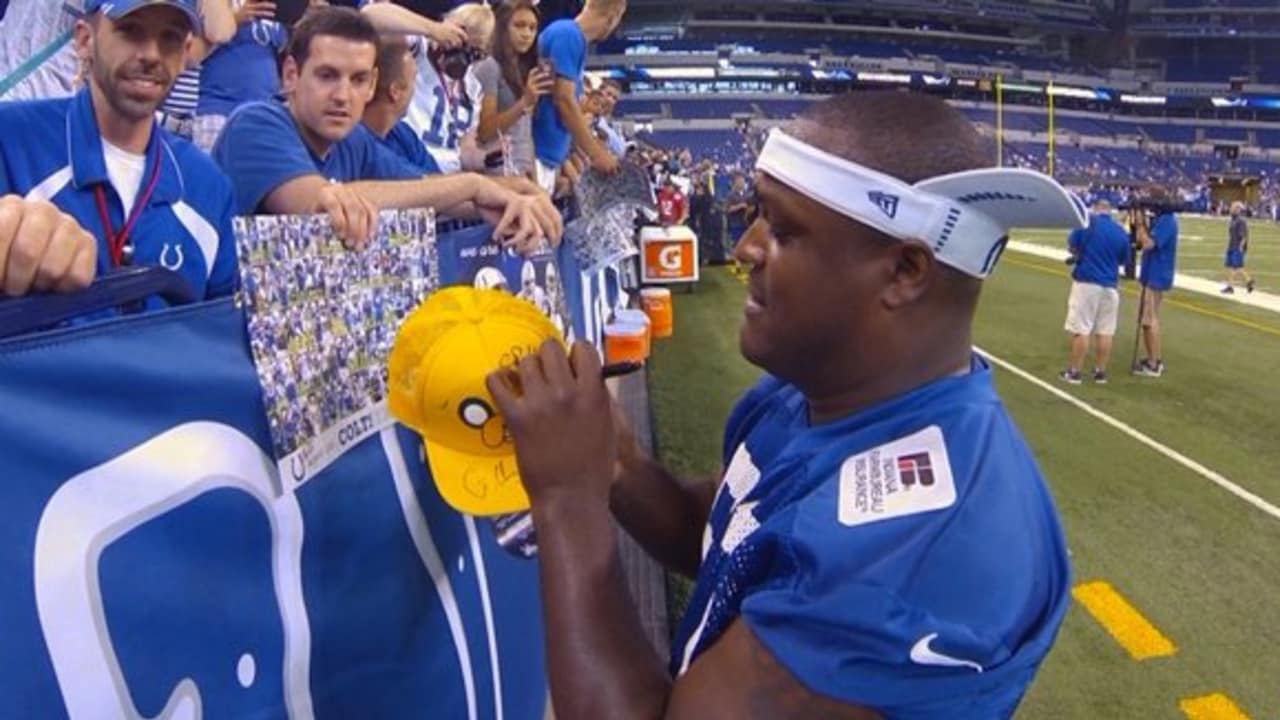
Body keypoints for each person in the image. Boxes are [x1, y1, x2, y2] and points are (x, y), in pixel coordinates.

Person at [485, 92, 1076, 718]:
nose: (745, 248)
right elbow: (723, 541)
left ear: (905, 271)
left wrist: (569, 502)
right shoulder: (811, 395)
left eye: (784, 229)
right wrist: (617, 465)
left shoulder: (924, 549)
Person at [213, 6, 559, 252]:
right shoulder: (255, 124)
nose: (342, 95)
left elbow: (421, 187)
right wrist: (473, 185)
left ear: (373, 84)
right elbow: (320, 206)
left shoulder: (353, 139)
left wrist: (508, 196)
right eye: (327, 75)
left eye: (358, 79)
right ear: (290, 75)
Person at [0, 0, 238, 305]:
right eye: (130, 30)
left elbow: (223, 331)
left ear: (184, 55)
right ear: (85, 40)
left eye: (170, 37)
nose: (151, 54)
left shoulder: (209, 186)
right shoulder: (12, 139)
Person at [362, 1, 491, 175]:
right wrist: (432, 29)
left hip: (446, 175)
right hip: (407, 157)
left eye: (475, 54)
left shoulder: (472, 88)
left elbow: (465, 153)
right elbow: (370, 15)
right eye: (463, 46)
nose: (465, 59)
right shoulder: (417, 53)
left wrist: (486, 158)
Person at [531, 0, 626, 193]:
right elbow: (564, 100)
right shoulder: (568, 36)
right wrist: (596, 153)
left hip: (547, 158)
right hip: (537, 154)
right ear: (613, 17)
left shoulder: (573, 39)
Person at [473, 0, 551, 181]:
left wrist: (533, 171)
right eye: (519, 26)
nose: (527, 34)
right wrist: (524, 103)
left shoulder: (524, 70)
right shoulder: (489, 67)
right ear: (502, 27)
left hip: (524, 171)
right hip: (499, 174)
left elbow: (524, 131)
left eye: (532, 28)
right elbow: (484, 131)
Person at [1060, 200, 1131, 385]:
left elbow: (1072, 246)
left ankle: (1075, 371)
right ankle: (1100, 371)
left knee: (1081, 328)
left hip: (1088, 282)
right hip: (1110, 285)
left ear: (1096, 209)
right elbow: (1124, 260)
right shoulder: (1120, 231)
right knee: (1105, 331)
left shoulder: (1087, 223)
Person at [361, 35, 441, 175]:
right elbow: (431, 187)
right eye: (414, 79)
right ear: (395, 91)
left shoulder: (402, 132)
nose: (415, 90)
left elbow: (440, 182)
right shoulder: (356, 142)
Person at [1134, 195, 1179, 378]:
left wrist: (1140, 224)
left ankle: (1154, 363)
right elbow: (1140, 242)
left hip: (1156, 275)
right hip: (1150, 274)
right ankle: (1152, 358)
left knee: (1150, 319)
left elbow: (1149, 243)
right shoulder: (1161, 220)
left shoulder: (1167, 221)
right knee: (1146, 320)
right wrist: (1140, 224)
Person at [1222, 201, 1255, 295]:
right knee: (1234, 267)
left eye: (1233, 208)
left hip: (1237, 247)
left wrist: (1241, 247)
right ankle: (1248, 280)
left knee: (1235, 267)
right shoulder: (1233, 219)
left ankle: (1231, 287)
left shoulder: (1241, 221)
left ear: (1238, 209)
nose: (1231, 209)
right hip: (1231, 245)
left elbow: (1244, 236)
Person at [724, 172, 753, 247]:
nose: (742, 183)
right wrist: (740, 206)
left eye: (743, 182)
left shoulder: (747, 194)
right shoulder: (731, 195)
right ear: (735, 183)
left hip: (747, 224)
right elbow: (727, 209)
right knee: (738, 244)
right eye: (740, 182)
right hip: (736, 224)